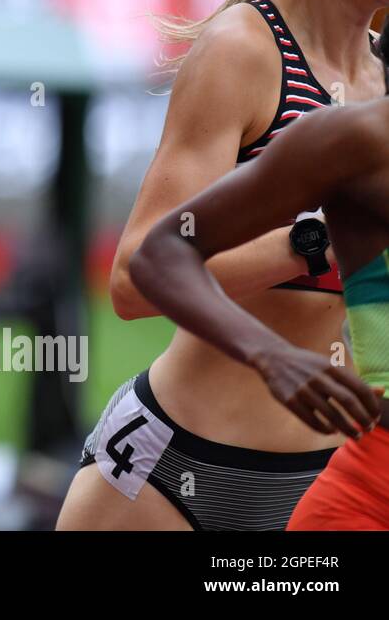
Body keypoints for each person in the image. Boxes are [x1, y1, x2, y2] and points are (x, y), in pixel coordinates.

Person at [56, 0, 389, 530]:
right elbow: (133, 278)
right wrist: (309, 246)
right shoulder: (244, 49)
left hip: (333, 483)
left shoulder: (384, 81)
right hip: (175, 473)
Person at [128, 28, 389, 529]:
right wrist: (270, 351)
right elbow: (143, 266)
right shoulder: (243, 54)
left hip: (316, 465)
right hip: (176, 461)